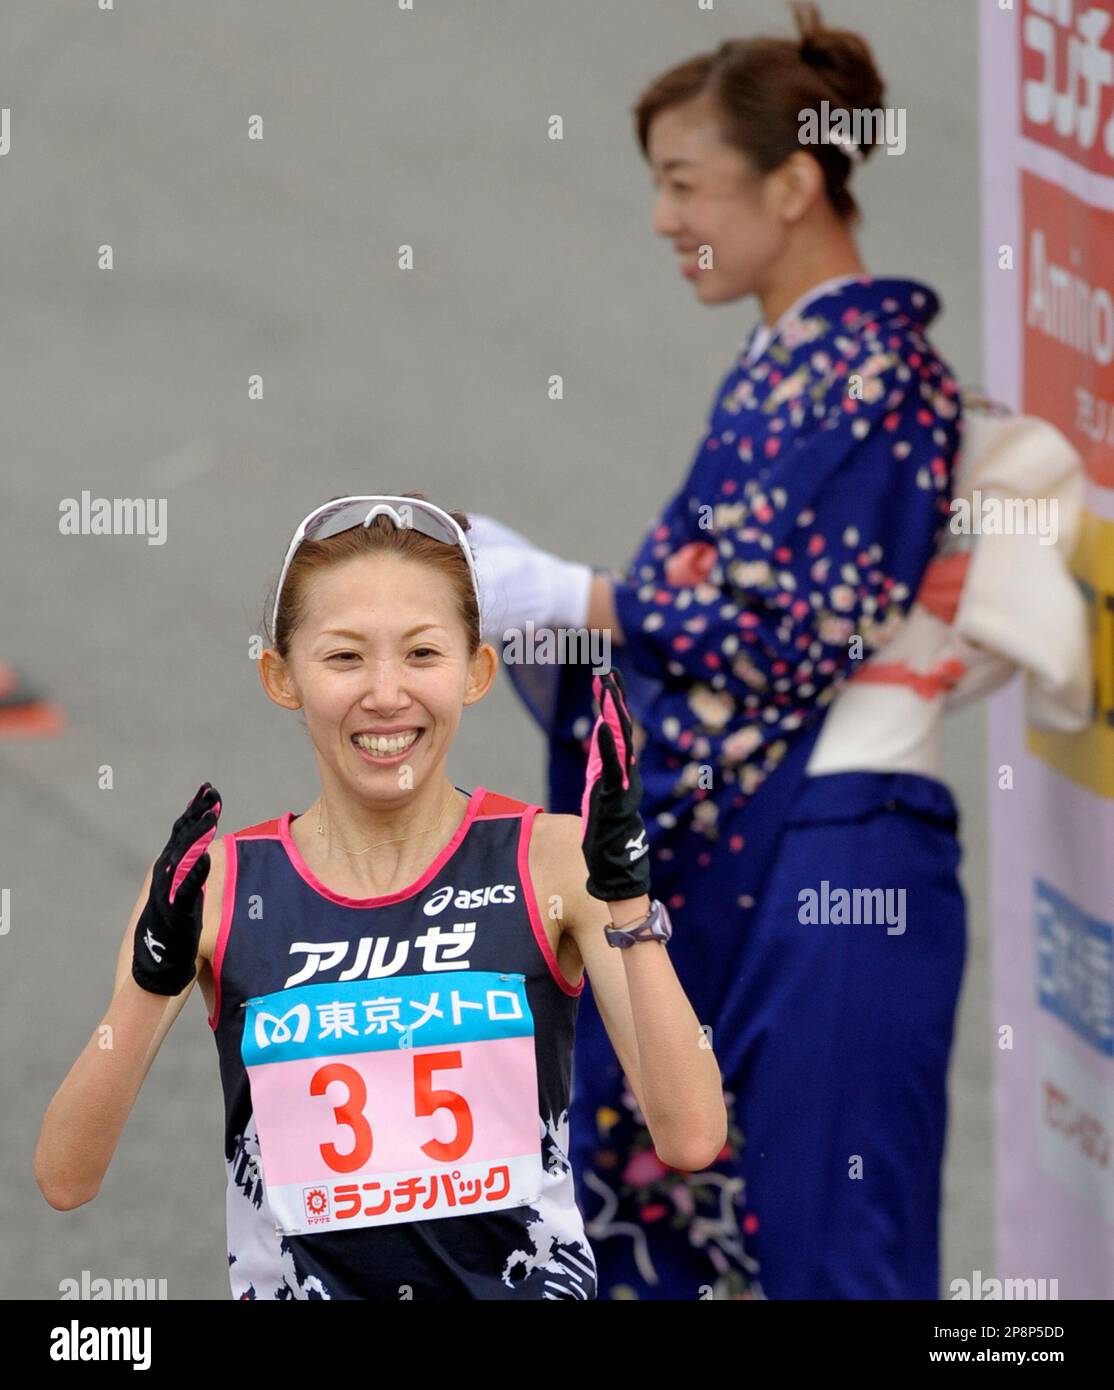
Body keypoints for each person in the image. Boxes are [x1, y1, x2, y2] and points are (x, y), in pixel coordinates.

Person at [467, 3, 971, 1298]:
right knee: (725, 1229)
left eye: (683, 182)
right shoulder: (781, 366)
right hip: (766, 838)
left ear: (794, 182)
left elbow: (804, 628)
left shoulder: (876, 370)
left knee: (827, 1250)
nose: (660, 216)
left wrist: (580, 595)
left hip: (835, 843)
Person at [34, 493, 729, 1301]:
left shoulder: (554, 860)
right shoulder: (216, 888)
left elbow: (691, 1135)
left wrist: (629, 910)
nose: (387, 694)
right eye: (344, 658)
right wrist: (148, 985)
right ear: (279, 676)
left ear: (476, 671)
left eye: (423, 654)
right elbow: (64, 1177)